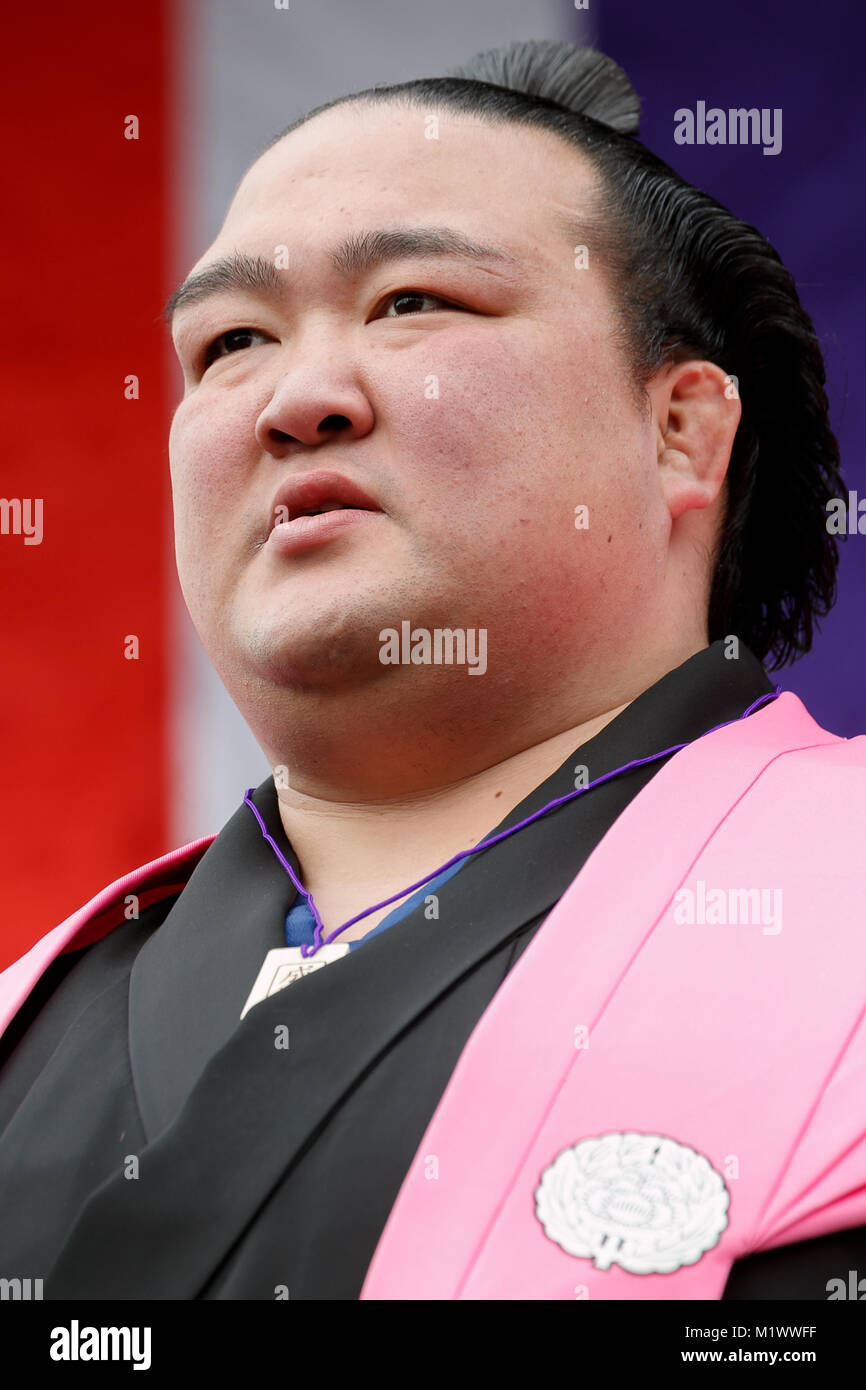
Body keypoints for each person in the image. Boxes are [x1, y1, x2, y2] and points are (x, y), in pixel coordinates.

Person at [1, 39, 864, 1302]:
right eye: (230, 340)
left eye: (412, 303)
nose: (296, 398)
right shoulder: (33, 1007)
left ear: (680, 428)